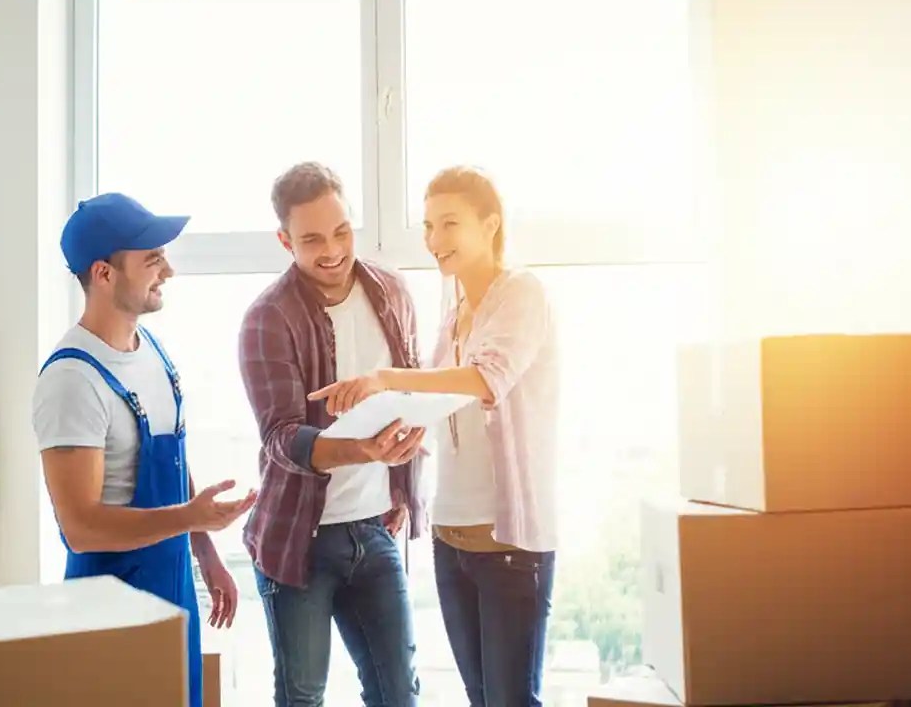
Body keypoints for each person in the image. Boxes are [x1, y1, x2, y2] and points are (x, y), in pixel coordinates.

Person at [310, 166, 560, 707]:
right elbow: (442, 401)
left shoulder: (521, 292)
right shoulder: (453, 305)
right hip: (453, 540)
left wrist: (385, 378)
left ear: (490, 224)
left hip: (509, 546)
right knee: (478, 697)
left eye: (449, 224)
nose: (434, 240)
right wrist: (397, 428)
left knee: (511, 701)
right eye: (427, 225)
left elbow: (485, 378)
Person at [33, 193, 257, 707]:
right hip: (109, 610)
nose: (168, 271)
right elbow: (82, 528)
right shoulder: (73, 379)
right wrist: (190, 518)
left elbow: (171, 461)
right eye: (152, 259)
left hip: (172, 595)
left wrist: (205, 551)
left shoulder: (150, 350)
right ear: (104, 273)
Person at [238, 162, 425, 706]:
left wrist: (403, 485)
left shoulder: (391, 291)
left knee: (399, 693)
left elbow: (410, 389)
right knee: (303, 697)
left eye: (341, 231)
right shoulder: (267, 319)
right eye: (312, 239)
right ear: (284, 239)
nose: (333, 250)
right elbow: (281, 436)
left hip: (374, 529)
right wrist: (360, 450)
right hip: (300, 539)